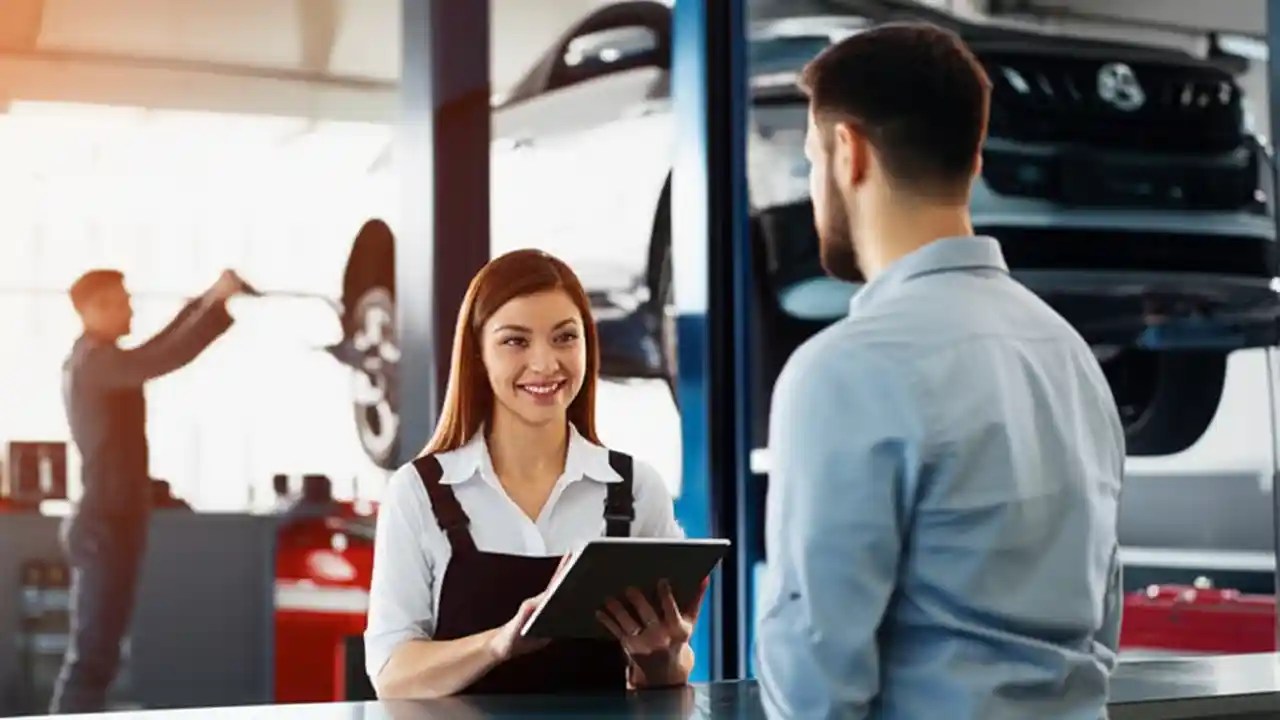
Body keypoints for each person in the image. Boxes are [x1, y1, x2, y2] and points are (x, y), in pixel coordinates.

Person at [754, 23, 1125, 720]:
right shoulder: (1071, 357)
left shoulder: (844, 369)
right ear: (975, 159)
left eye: (810, 159)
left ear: (848, 152)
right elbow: (1099, 627)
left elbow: (815, 672)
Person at [364, 249, 702, 698]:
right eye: (515, 341)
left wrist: (660, 658)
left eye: (565, 338)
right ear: (478, 354)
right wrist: (499, 644)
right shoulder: (420, 492)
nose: (545, 364)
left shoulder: (637, 489)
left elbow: (670, 672)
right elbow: (391, 674)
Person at [51, 268, 247, 713]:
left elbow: (157, 347)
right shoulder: (94, 363)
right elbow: (163, 357)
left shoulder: (102, 358)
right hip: (104, 527)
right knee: (91, 660)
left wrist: (210, 298)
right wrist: (213, 303)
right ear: (93, 309)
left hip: (113, 523)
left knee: (98, 657)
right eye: (121, 300)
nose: (131, 308)